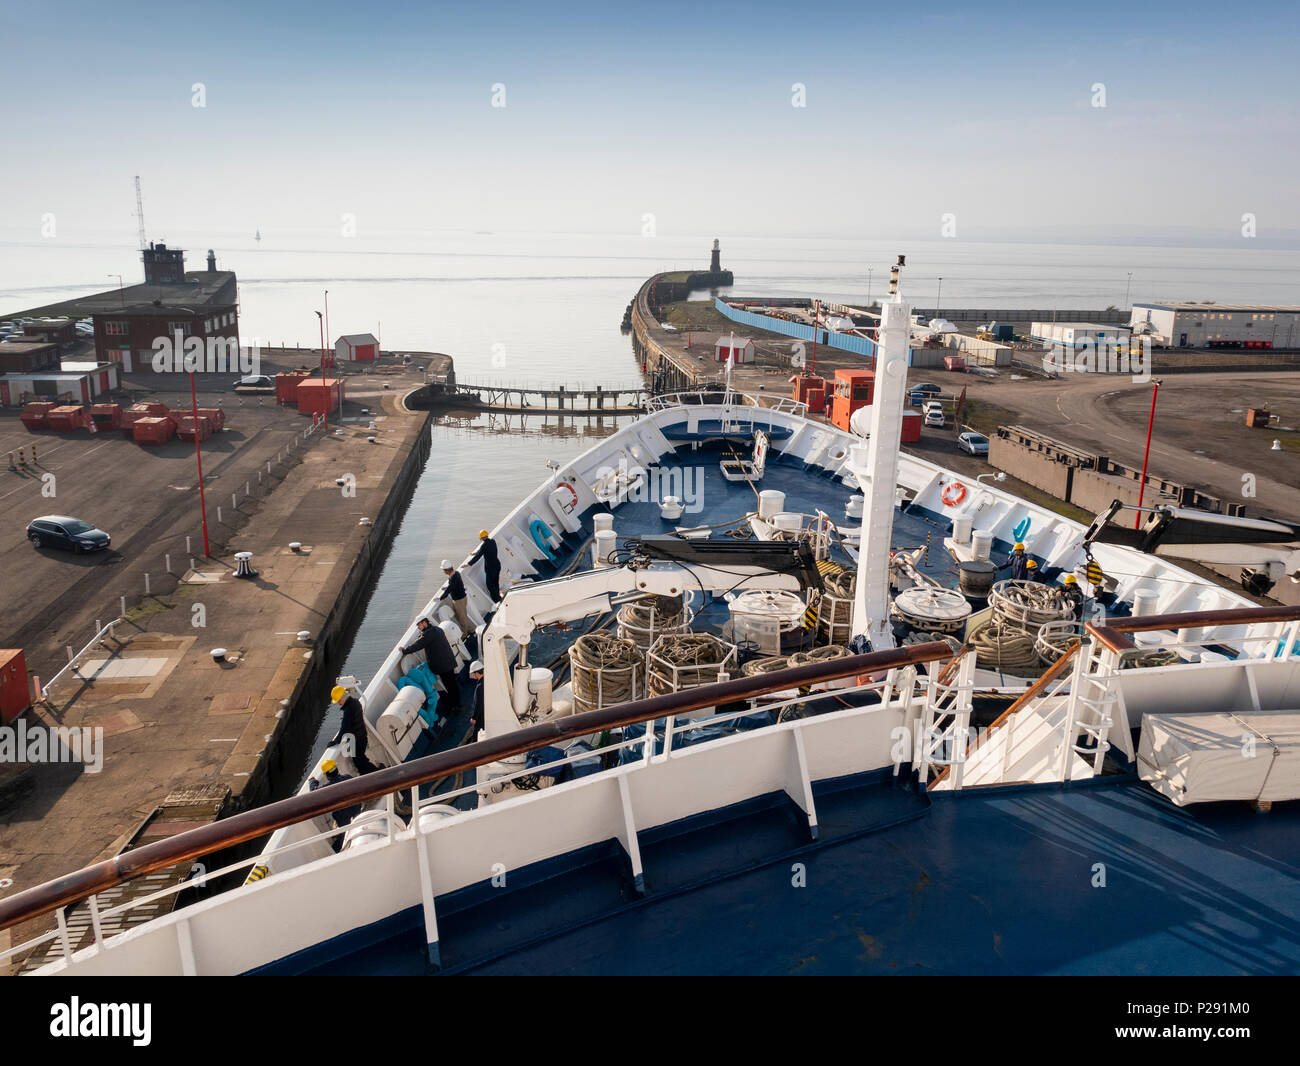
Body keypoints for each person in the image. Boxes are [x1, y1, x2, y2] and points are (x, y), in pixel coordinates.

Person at [401, 617, 461, 712]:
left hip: (443, 665)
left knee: (449, 685)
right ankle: (457, 702)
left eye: (419, 625)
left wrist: (405, 650)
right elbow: (424, 639)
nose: (419, 627)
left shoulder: (429, 634)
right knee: (452, 683)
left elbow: (419, 645)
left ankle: (454, 705)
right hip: (449, 661)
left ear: (425, 623)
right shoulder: (437, 629)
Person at [308, 758, 361, 851]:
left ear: (327, 776)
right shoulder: (347, 777)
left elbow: (314, 792)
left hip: (344, 819)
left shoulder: (328, 788)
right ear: (337, 770)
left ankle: (334, 851)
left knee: (340, 841)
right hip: (356, 809)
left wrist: (312, 781)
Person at [329, 685, 380, 774]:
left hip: (357, 741)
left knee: (361, 763)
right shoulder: (356, 702)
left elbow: (345, 728)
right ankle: (376, 774)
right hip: (362, 737)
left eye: (338, 701)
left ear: (343, 697)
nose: (338, 703)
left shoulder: (348, 710)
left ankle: (379, 773)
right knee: (361, 760)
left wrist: (336, 741)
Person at [438, 559, 471, 637]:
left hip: (459, 600)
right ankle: (471, 629)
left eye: (444, 570)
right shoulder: (456, 573)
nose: (443, 571)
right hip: (462, 598)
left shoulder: (453, 578)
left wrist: (441, 597)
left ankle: (465, 634)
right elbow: (452, 586)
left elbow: (450, 588)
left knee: (462, 618)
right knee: (462, 616)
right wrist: (446, 588)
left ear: (446, 570)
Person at [469, 529, 501, 601]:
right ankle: (498, 597)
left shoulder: (484, 546)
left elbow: (478, 556)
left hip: (490, 568)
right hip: (497, 565)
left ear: (481, 538)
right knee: (496, 582)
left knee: (490, 585)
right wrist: (476, 552)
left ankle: (496, 600)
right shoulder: (493, 541)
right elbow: (482, 551)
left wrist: (469, 564)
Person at [469, 659, 485, 734]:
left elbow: (479, 704)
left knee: (477, 734)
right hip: (486, 713)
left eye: (473, 673)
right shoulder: (486, 680)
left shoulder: (479, 687)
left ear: (476, 673)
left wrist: (474, 717)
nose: (473, 675)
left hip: (481, 716)